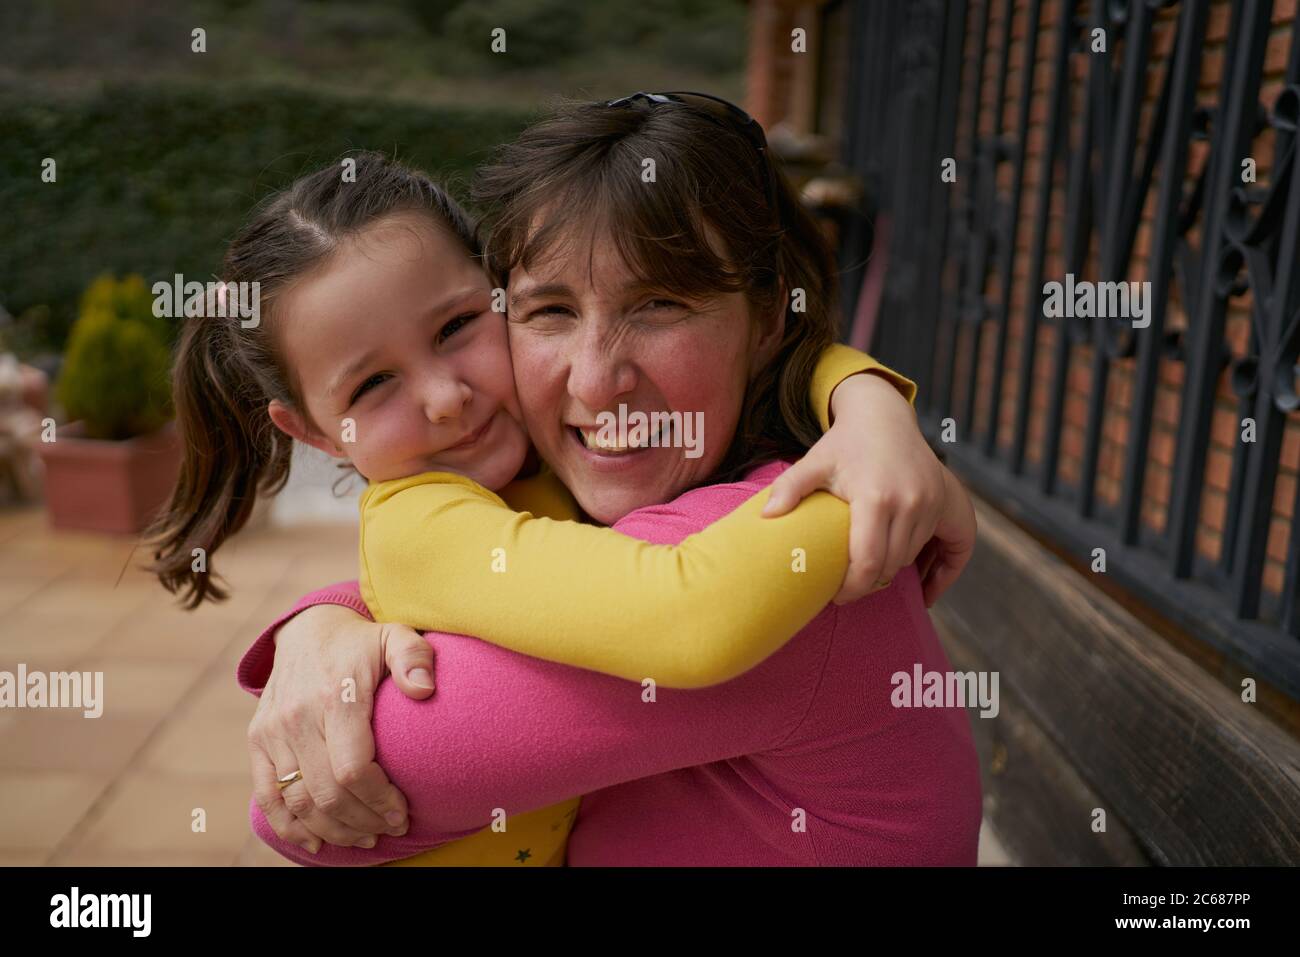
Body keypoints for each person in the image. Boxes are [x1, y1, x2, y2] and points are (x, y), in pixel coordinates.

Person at [222, 94, 981, 864]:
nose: (594, 380)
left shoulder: (777, 560)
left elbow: (308, 803)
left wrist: (859, 482)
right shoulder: (577, 482)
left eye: (658, 304)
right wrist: (325, 620)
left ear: (769, 319)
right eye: (549, 310)